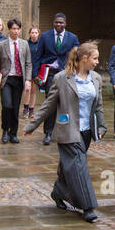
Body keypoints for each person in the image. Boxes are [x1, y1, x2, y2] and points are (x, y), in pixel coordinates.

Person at [24, 42, 105, 223]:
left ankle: (58, 191)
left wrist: (101, 127)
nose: (97, 62)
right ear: (84, 59)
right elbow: (48, 105)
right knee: (79, 167)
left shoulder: (96, 78)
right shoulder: (62, 78)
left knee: (69, 166)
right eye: (95, 58)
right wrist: (32, 125)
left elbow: (98, 106)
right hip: (68, 130)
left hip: (86, 132)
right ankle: (88, 207)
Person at [37, 13, 80, 144]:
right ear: (53, 23)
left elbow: (77, 56)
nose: (58, 25)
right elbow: (38, 56)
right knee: (51, 102)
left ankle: (63, 131)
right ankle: (48, 132)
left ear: (65, 24)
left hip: (65, 73)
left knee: (65, 103)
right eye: (56, 22)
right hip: (49, 73)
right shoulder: (44, 36)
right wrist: (35, 75)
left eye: (61, 23)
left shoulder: (72, 38)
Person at [0, 19, 32, 144]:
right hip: (6, 80)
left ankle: (13, 133)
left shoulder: (24, 44)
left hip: (19, 79)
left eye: (18, 29)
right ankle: (5, 130)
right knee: (7, 105)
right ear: (9, 30)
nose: (16, 31)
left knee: (15, 108)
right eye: (13, 29)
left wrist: (28, 80)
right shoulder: (1, 45)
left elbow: (28, 63)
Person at [22, 25, 43, 120]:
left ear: (38, 34)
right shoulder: (25, 43)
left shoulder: (41, 44)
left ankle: (31, 109)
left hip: (36, 70)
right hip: (27, 69)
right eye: (32, 32)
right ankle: (25, 108)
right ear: (29, 34)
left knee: (34, 91)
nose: (34, 34)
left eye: (36, 33)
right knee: (27, 89)